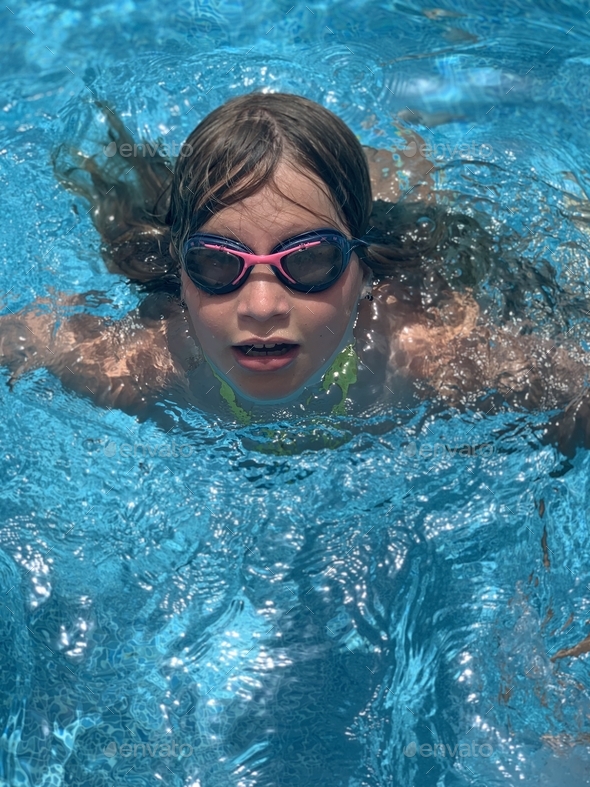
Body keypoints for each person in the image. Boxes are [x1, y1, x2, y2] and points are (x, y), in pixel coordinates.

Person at [1, 91, 589, 453]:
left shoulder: (424, 353)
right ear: (180, 274)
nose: (261, 306)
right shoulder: (142, 361)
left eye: (308, 261)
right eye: (216, 263)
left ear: (360, 268)